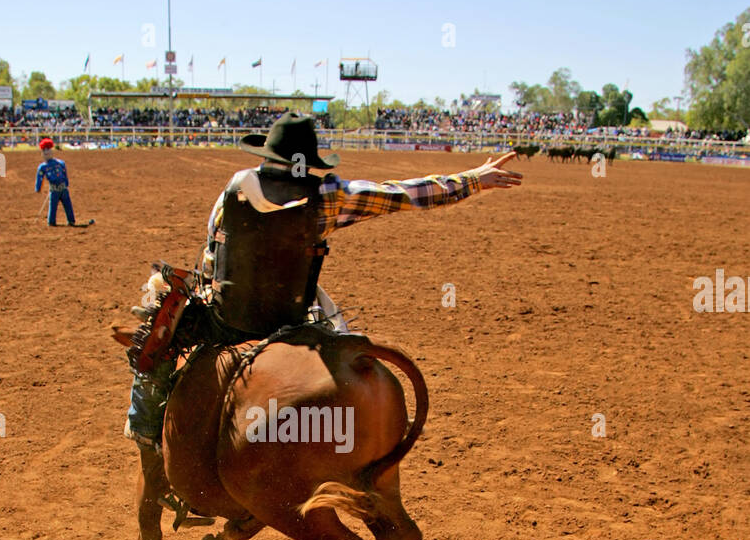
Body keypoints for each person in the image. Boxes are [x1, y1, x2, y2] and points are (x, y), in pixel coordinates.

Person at [123, 111, 521, 455]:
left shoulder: (235, 187)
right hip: (289, 321)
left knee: (157, 328)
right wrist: (475, 179)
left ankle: (145, 425)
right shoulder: (329, 196)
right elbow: (405, 194)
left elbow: (213, 250)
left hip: (226, 319)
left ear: (268, 155)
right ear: (308, 162)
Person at [35, 137, 76, 225]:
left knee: (63, 205)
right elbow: (40, 178)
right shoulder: (48, 166)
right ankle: (55, 221)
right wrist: (38, 187)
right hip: (58, 188)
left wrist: (38, 188)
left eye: (48, 150)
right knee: (56, 206)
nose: (46, 152)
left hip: (59, 188)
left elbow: (64, 174)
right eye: (44, 150)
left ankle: (67, 220)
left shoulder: (58, 163)